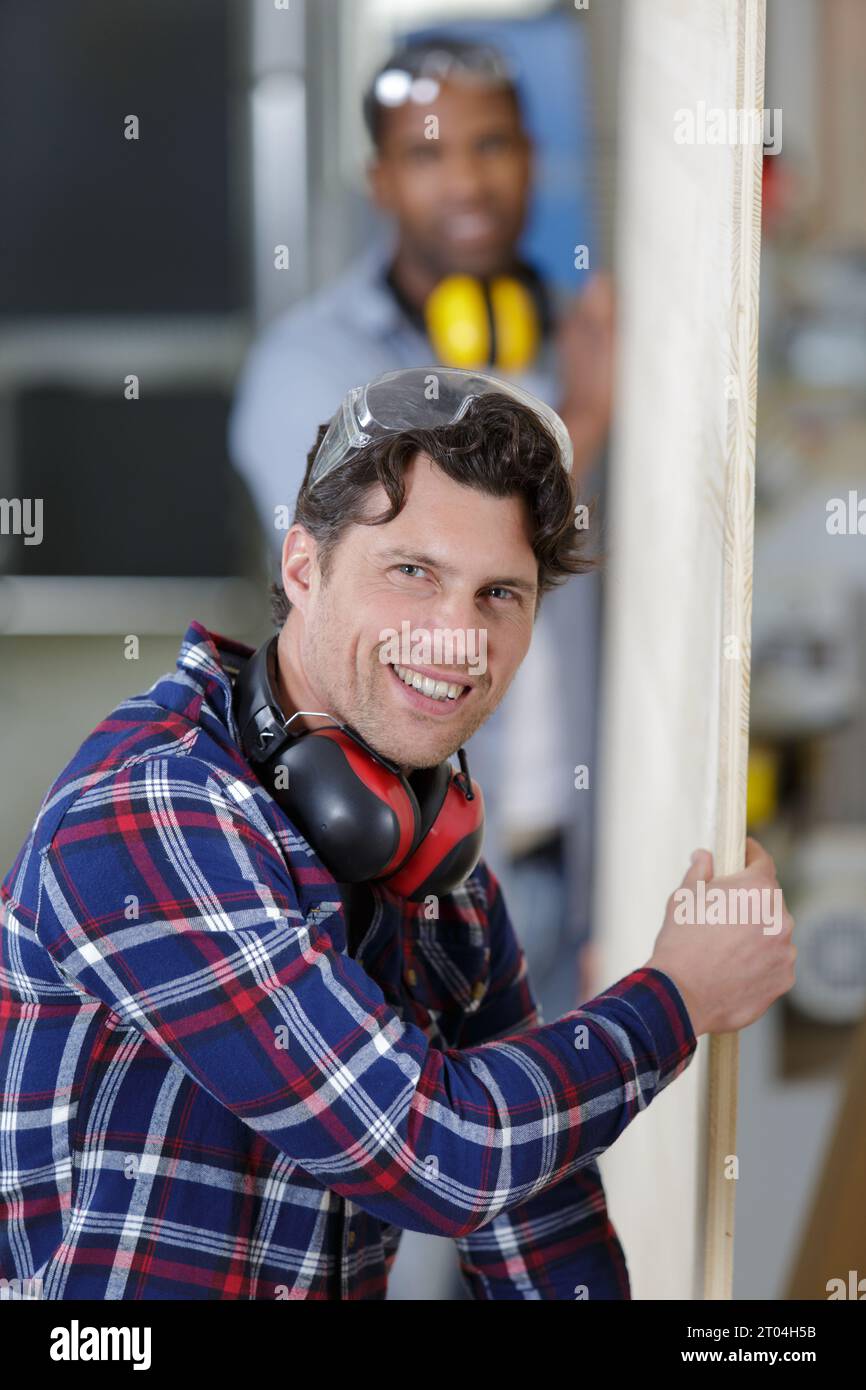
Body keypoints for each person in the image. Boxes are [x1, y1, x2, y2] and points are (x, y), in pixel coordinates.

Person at [0, 372, 796, 1300]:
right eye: (413, 573)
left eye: (500, 594)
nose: (457, 637)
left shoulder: (441, 874)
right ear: (304, 569)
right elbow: (433, 1156)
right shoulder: (154, 808)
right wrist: (680, 995)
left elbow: (538, 1228)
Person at [229, 36, 616, 1010]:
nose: (467, 182)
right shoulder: (309, 363)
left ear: (531, 158)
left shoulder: (574, 336)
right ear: (380, 179)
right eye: (428, 152)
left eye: (491, 145)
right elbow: (404, 529)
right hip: (394, 855)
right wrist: (587, 416)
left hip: (575, 846)